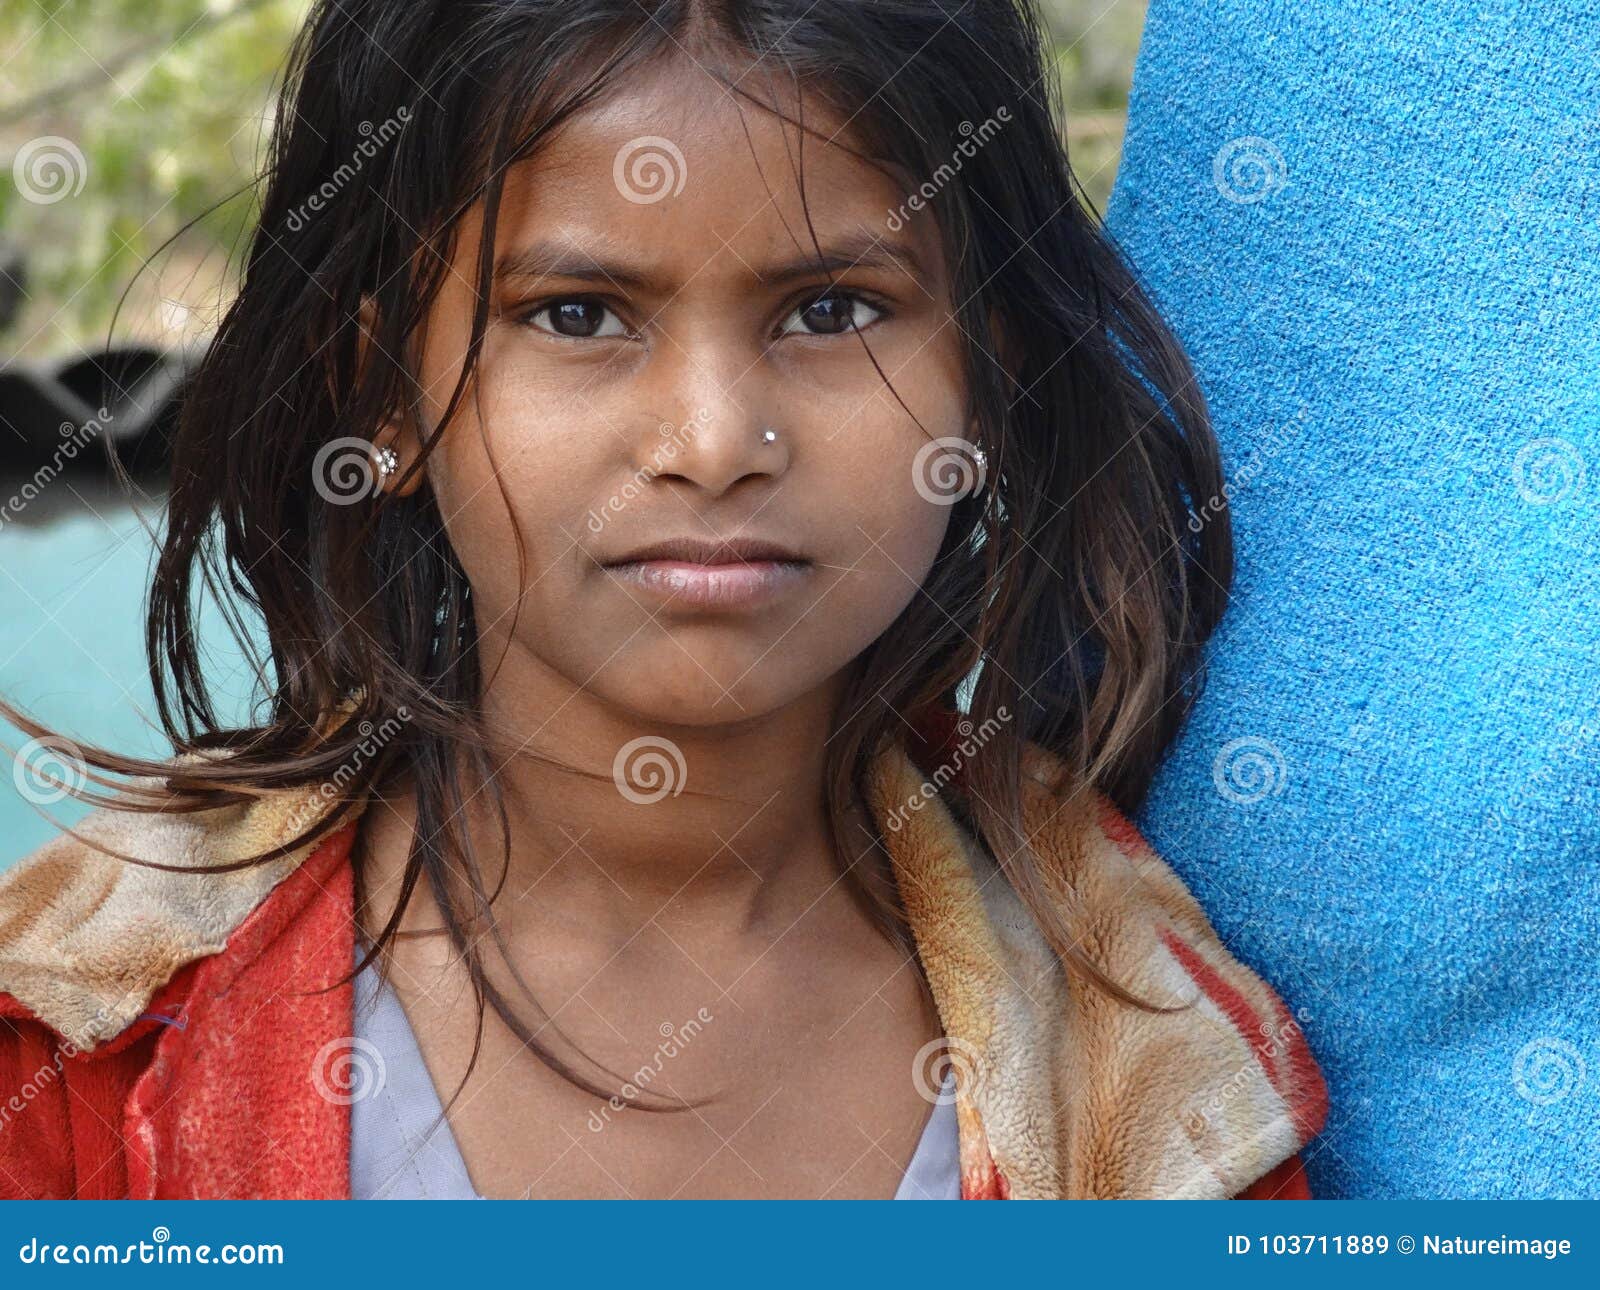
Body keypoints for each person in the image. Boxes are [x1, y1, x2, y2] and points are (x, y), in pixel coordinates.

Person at [0, 0, 1323, 1200]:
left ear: (987, 379)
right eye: (579, 314)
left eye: (832, 310)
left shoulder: (1166, 1079)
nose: (714, 439)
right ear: (384, 394)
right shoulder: (76, 1043)